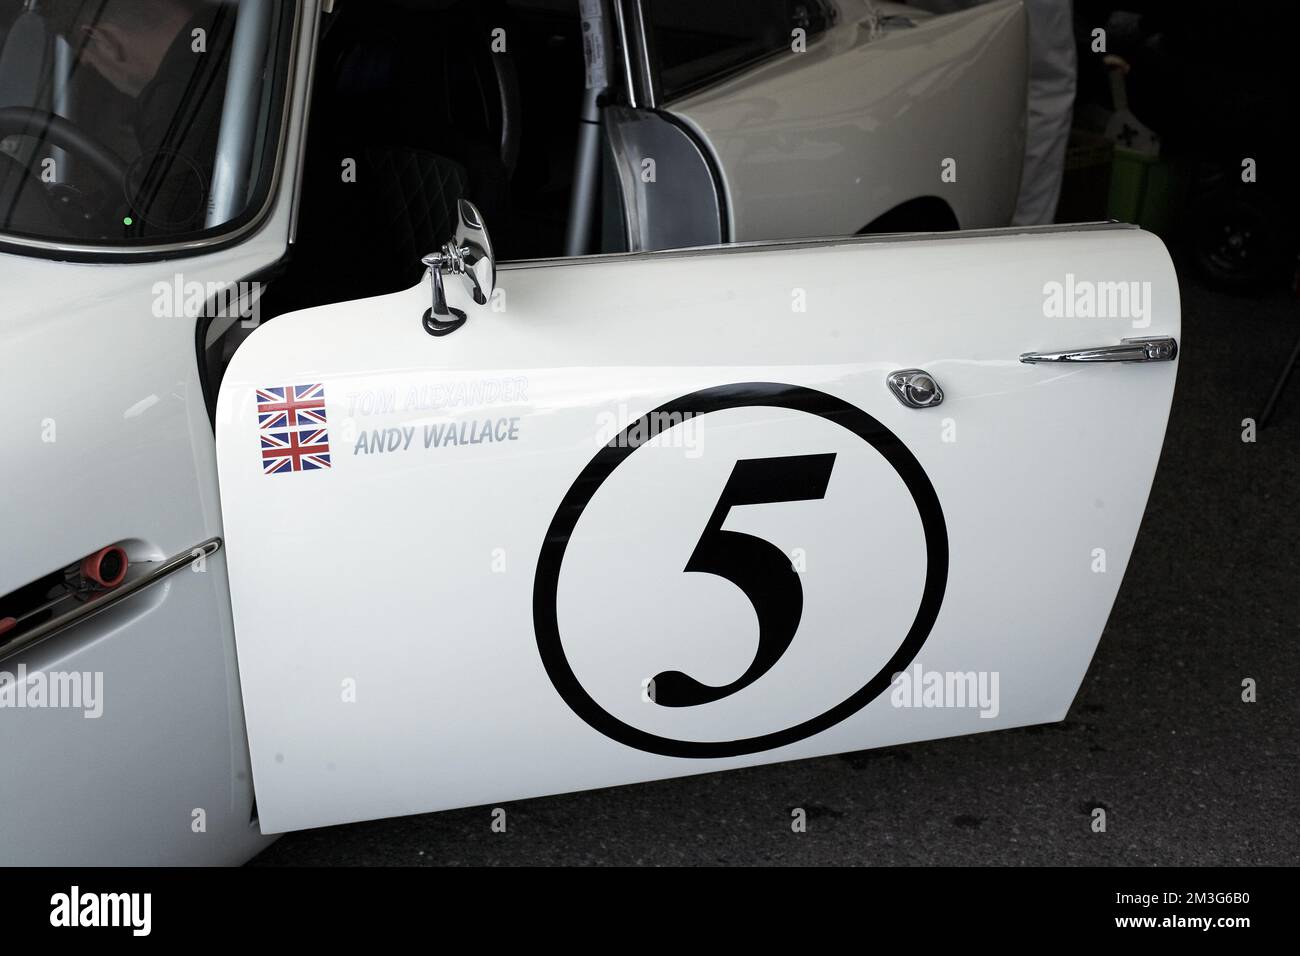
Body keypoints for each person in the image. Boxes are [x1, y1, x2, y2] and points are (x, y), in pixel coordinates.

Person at [57, 0, 234, 232]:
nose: (89, 64)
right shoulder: (238, 24)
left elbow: (155, 227)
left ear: (100, 40)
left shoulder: (178, 101)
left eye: (86, 57)